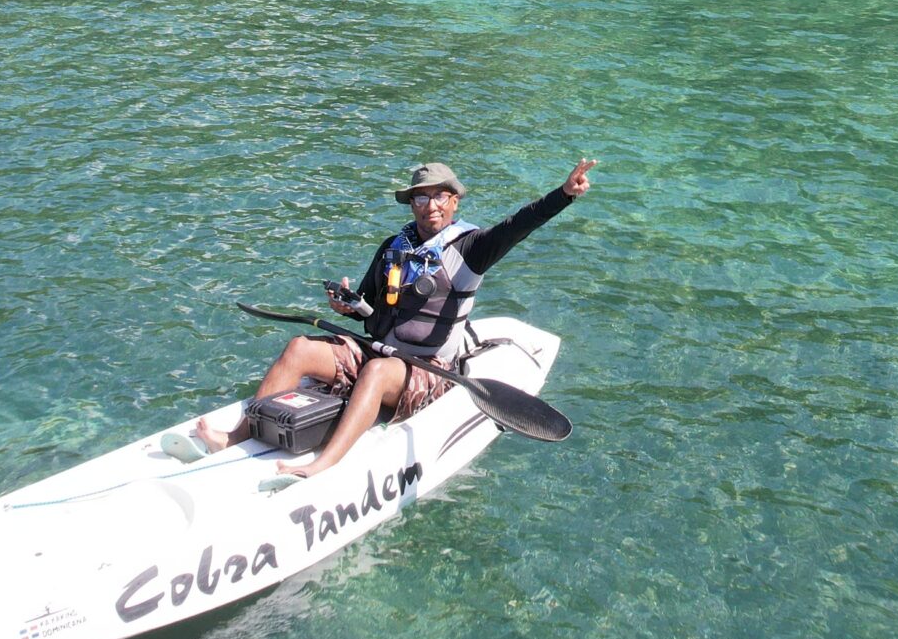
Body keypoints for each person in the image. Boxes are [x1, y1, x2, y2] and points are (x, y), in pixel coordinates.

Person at [170, 158, 595, 478]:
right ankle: (235, 436)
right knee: (300, 347)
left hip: (429, 371)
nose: (431, 204)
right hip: (378, 349)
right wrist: (349, 305)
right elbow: (371, 307)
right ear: (411, 203)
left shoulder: (472, 247)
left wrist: (564, 194)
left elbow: (519, 224)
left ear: (454, 201)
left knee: (377, 374)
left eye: (440, 196)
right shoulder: (394, 246)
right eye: (421, 196)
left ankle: (324, 463)